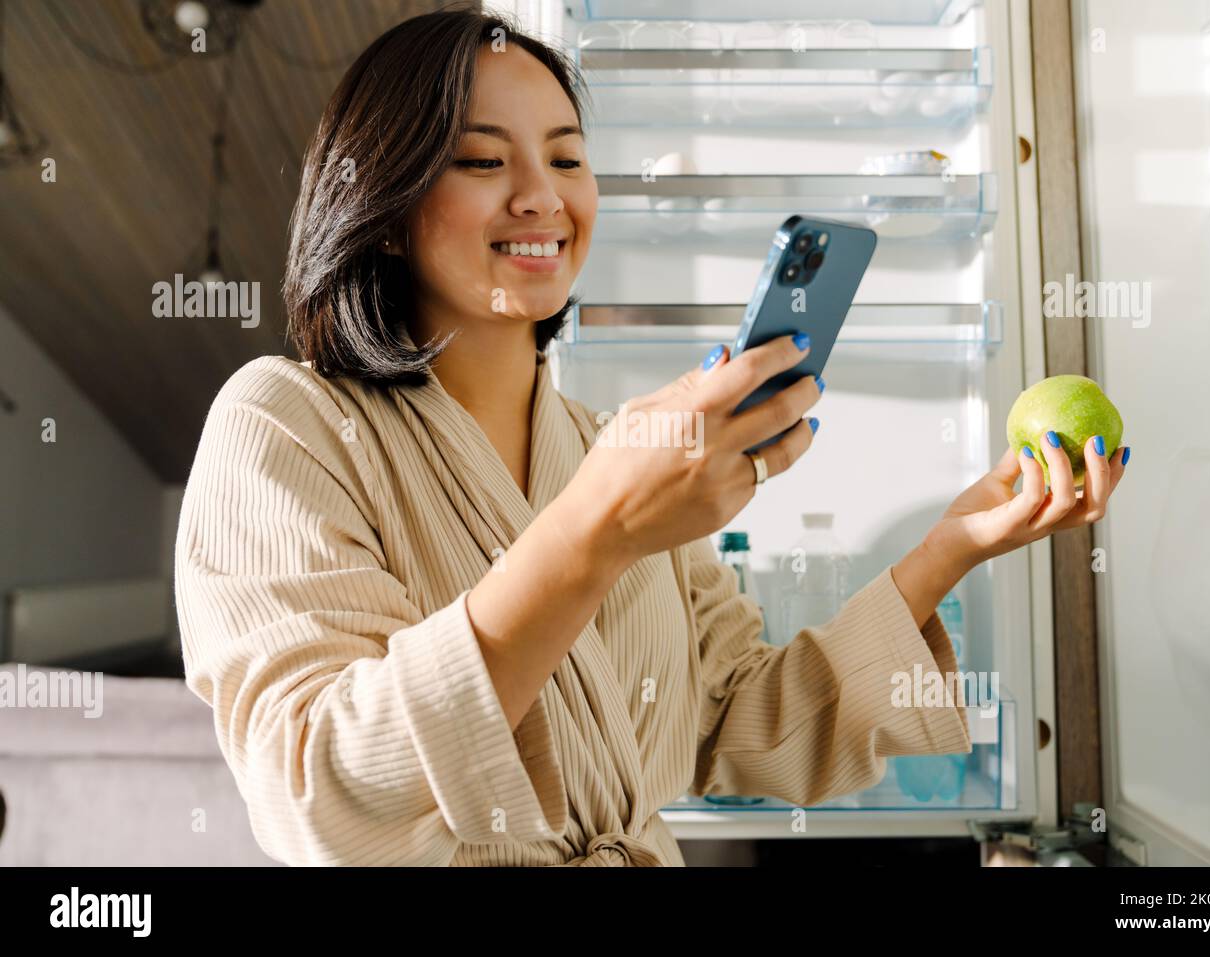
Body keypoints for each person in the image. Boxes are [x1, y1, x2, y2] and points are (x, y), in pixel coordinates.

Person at [174, 7, 1128, 867]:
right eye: (482, 160)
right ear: (383, 207)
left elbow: (744, 726)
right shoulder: (285, 424)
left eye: (567, 156)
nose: (542, 196)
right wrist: (594, 531)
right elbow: (319, 796)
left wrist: (949, 548)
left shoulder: (608, 447)